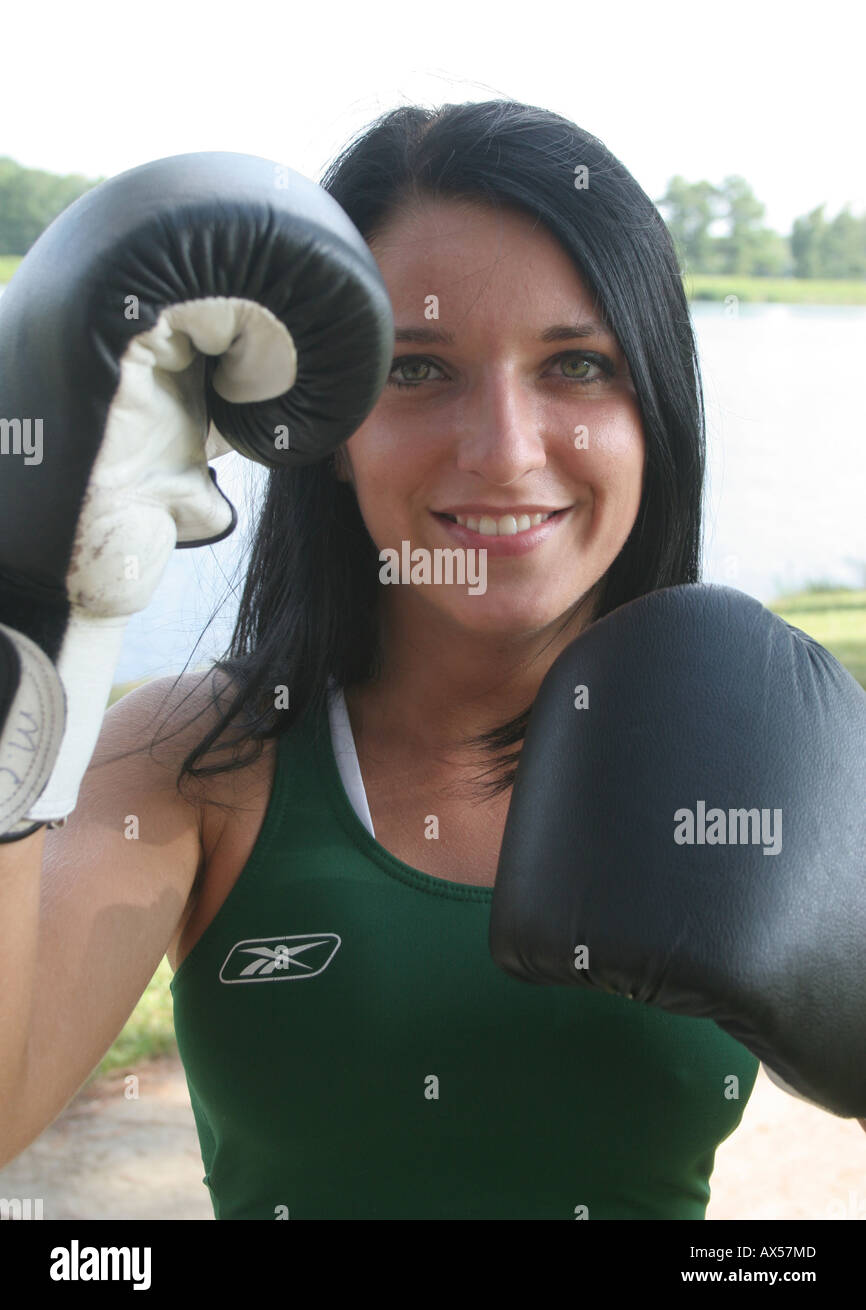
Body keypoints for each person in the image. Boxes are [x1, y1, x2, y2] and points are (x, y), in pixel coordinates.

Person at [0, 102, 860, 1221]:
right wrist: (37, 605)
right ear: (325, 429)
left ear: (654, 409)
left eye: (576, 364)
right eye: (415, 370)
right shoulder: (194, 761)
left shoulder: (754, 749)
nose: (503, 450)